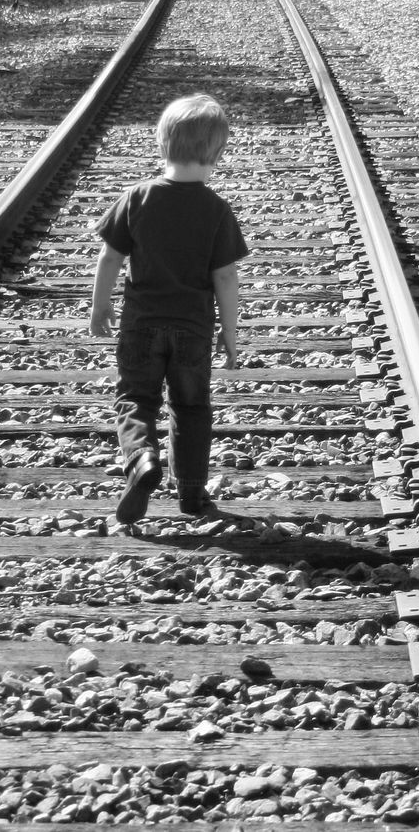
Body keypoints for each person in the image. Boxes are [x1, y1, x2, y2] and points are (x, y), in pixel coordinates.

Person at [89, 93, 247, 524]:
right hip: (193, 330)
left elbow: (109, 258)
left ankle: (141, 459)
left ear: (162, 144)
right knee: (192, 406)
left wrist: (100, 305)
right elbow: (226, 277)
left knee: (136, 398)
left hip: (141, 324)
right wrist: (229, 333)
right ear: (217, 152)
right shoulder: (216, 209)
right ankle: (192, 493)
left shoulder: (137, 197)